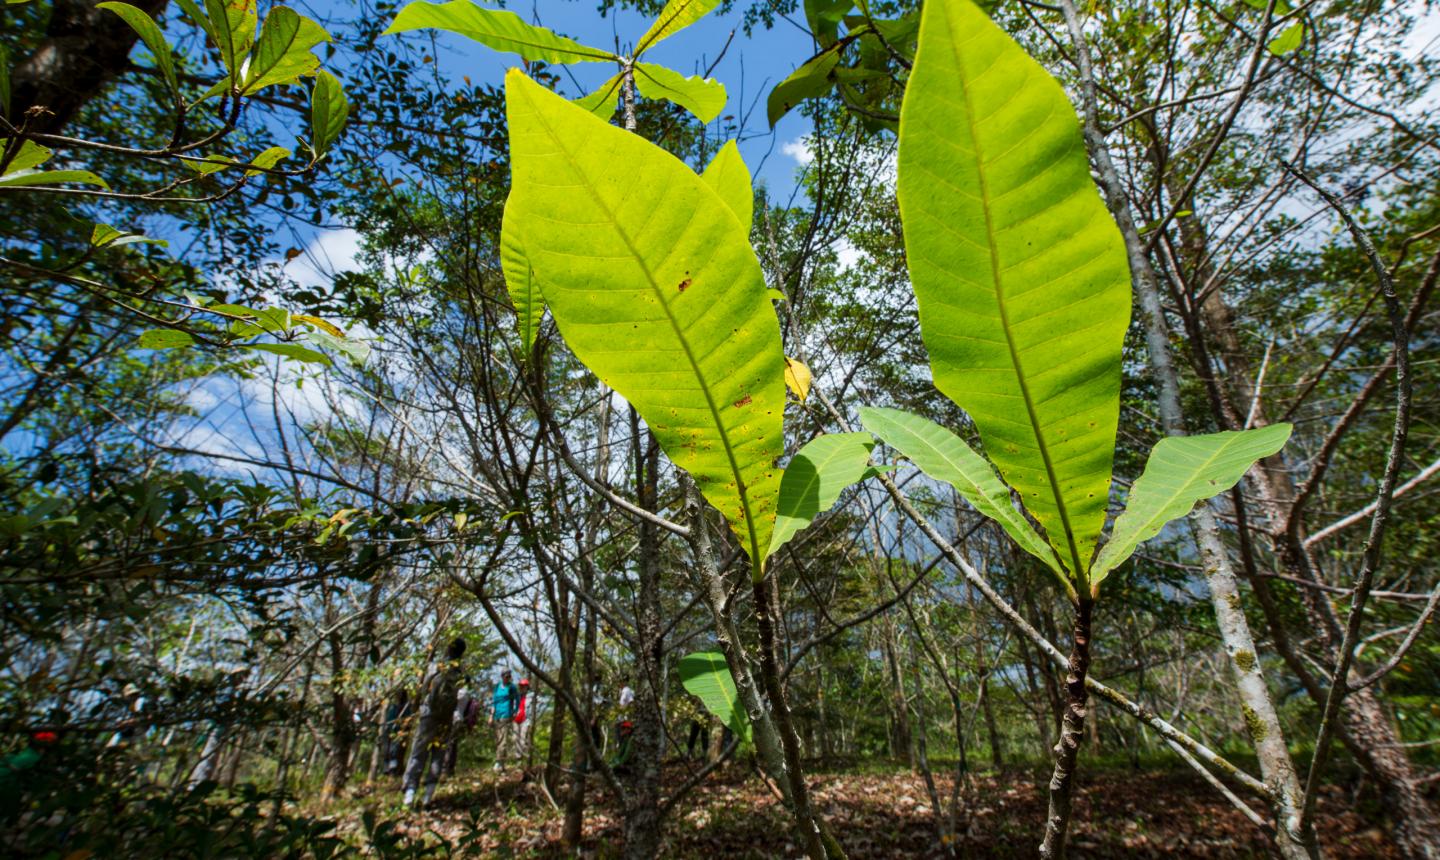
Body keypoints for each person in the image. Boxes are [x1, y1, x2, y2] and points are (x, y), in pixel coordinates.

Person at [401, 637, 466, 809]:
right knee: (438, 755)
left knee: (418, 752)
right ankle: (428, 797)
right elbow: (462, 698)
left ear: (448, 649)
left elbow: (424, 689)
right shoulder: (461, 674)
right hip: (446, 718)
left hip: (428, 714)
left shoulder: (436, 667)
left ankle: (409, 793)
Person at [489, 669, 520, 771]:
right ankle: (502, 764)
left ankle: (498, 762)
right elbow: (494, 701)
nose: (508, 678)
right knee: (499, 740)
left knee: (503, 740)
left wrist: (514, 712)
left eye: (509, 676)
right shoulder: (498, 686)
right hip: (496, 716)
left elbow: (517, 700)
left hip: (506, 715)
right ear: (502, 676)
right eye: (506, 676)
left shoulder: (512, 687)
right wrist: (491, 716)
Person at [381, 689, 410, 776]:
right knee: (386, 750)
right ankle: (386, 768)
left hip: (398, 732)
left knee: (394, 751)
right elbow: (388, 717)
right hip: (389, 730)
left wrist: (402, 726)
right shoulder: (392, 706)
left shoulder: (406, 707)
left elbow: (407, 719)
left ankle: (393, 770)